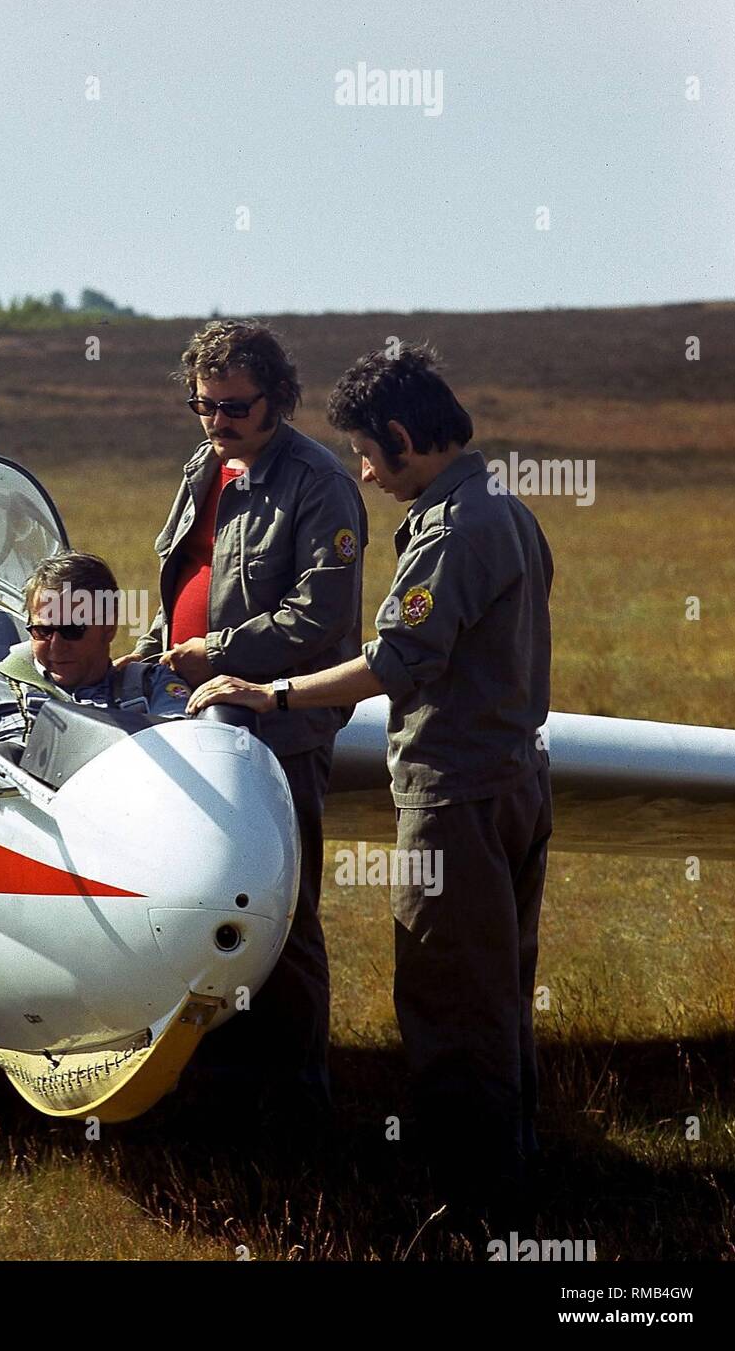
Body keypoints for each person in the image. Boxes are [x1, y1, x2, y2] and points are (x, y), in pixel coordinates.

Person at [189, 342, 553, 1225]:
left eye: (365, 450)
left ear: (400, 436)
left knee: (449, 991)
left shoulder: (452, 526)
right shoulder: (503, 504)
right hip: (514, 781)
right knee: (499, 989)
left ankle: (473, 1201)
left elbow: (394, 660)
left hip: (456, 795)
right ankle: (513, 1163)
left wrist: (271, 691)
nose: (361, 469)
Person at [124, 319, 368, 1113]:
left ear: (279, 399)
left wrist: (218, 651)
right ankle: (212, 1074)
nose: (217, 420)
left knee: (280, 913)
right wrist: (160, 645)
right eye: (204, 404)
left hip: (278, 728)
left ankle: (299, 1097)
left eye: (234, 406)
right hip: (198, 716)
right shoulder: (206, 467)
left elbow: (318, 619)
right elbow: (187, 577)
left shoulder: (319, 484)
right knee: (199, 897)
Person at [0, 550, 190, 744]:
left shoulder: (152, 688)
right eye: (42, 631)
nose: (56, 647)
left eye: (72, 631)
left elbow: (186, 745)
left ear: (108, 628)